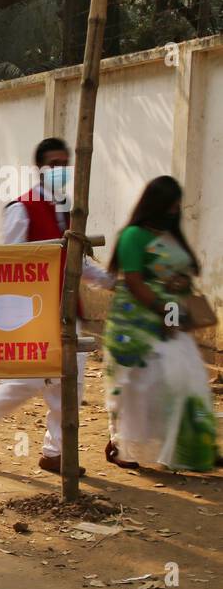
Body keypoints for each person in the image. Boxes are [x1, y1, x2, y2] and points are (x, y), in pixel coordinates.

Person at [0, 137, 112, 474]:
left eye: (65, 164)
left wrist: (108, 281)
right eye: (54, 165)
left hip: (68, 308)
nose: (60, 171)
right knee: (31, 381)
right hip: (36, 312)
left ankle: (54, 452)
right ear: (41, 168)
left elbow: (79, 263)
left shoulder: (69, 211)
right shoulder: (22, 207)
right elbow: (11, 262)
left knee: (70, 383)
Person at [104, 176, 217, 471]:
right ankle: (121, 446)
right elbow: (133, 280)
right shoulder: (133, 235)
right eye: (170, 204)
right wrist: (163, 309)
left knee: (189, 380)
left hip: (172, 318)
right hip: (137, 322)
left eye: (177, 204)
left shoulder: (170, 234)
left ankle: (195, 449)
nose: (174, 209)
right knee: (138, 387)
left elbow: (187, 268)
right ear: (155, 204)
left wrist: (180, 283)